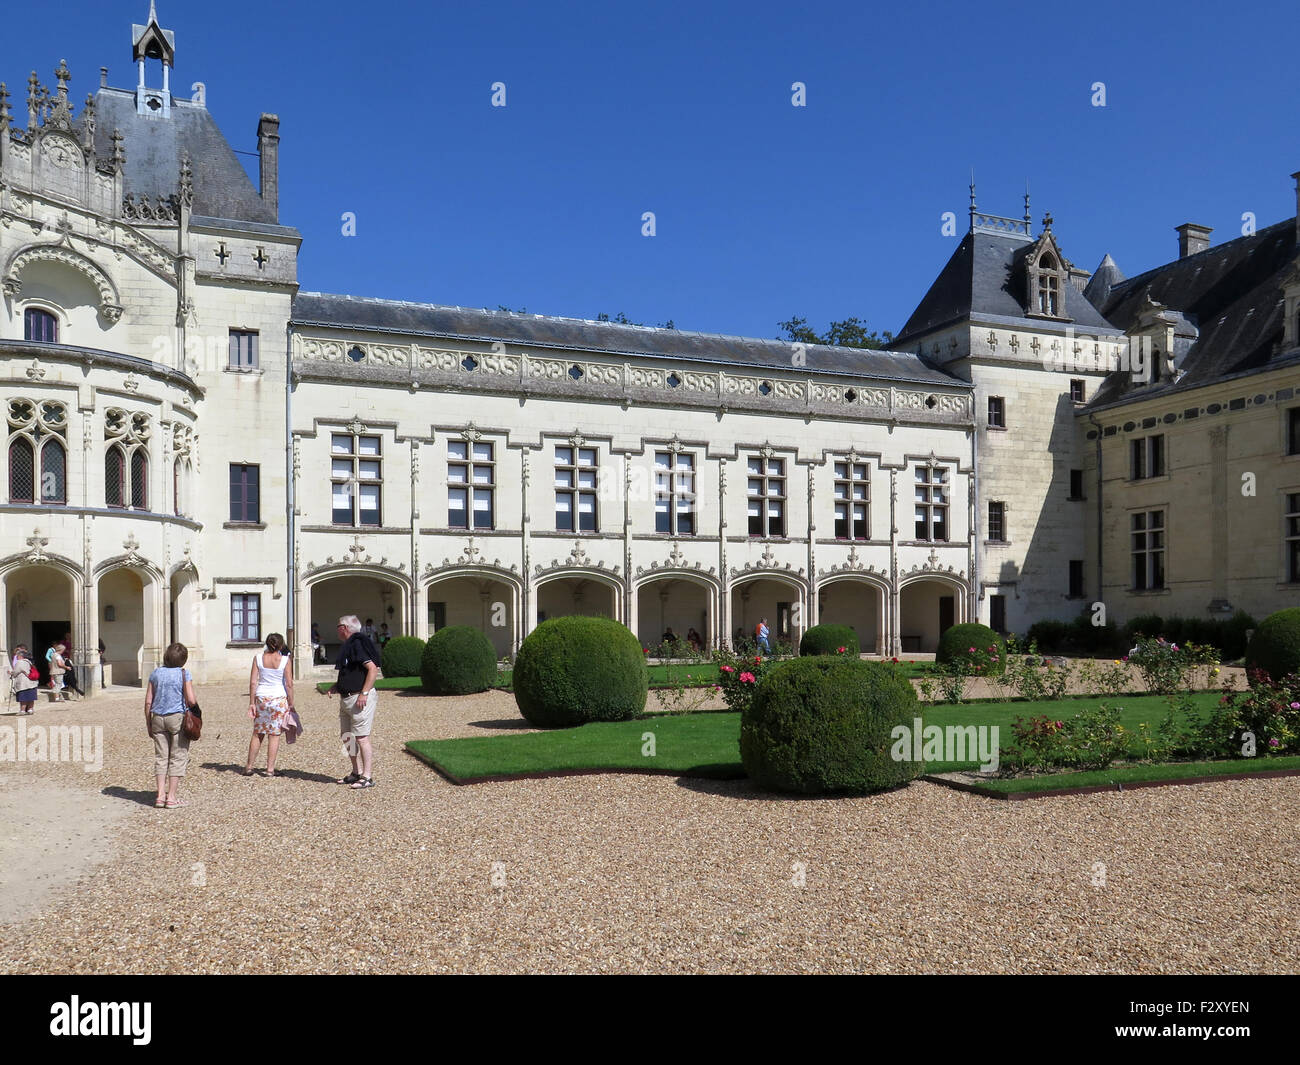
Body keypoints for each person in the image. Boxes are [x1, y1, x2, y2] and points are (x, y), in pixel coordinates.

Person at [326, 615, 379, 789]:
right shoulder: (349, 646)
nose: (337, 629)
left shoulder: (357, 644)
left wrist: (364, 693)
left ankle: (367, 776)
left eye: (338, 625)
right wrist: (337, 685)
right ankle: (356, 772)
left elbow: (372, 669)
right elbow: (352, 672)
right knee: (347, 736)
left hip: (359, 698)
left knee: (362, 737)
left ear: (345, 628)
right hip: (347, 697)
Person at [145, 643, 197, 809]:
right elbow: (191, 699)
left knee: (161, 758)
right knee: (178, 757)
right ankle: (171, 797)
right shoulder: (183, 674)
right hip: (177, 718)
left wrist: (148, 723)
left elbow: (148, 701)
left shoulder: (156, 673)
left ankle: (160, 796)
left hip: (158, 718)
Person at [244, 632, 294, 777]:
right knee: (274, 734)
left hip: (262, 697)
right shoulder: (285, 660)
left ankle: (249, 766)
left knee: (257, 733)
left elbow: (253, 682)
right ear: (281, 644)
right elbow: (289, 683)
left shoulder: (258, 658)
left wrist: (251, 703)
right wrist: (291, 703)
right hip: (278, 697)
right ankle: (269, 769)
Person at [8, 644, 40, 714]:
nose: (17, 657)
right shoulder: (29, 662)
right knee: (31, 697)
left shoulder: (20, 662)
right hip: (32, 682)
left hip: (23, 683)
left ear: (21, 656)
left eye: (18, 656)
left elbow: (16, 671)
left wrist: (11, 673)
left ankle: (22, 710)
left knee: (23, 697)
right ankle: (30, 709)